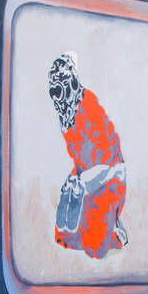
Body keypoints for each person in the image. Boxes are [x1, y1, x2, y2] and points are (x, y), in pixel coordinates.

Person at [47, 51, 128, 259]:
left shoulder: (90, 109)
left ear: (71, 84)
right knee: (63, 237)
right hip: (84, 176)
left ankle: (113, 231)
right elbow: (79, 158)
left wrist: (82, 183)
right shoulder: (67, 116)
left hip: (108, 178)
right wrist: (74, 180)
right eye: (54, 91)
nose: (57, 97)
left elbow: (109, 164)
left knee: (94, 247)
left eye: (59, 89)